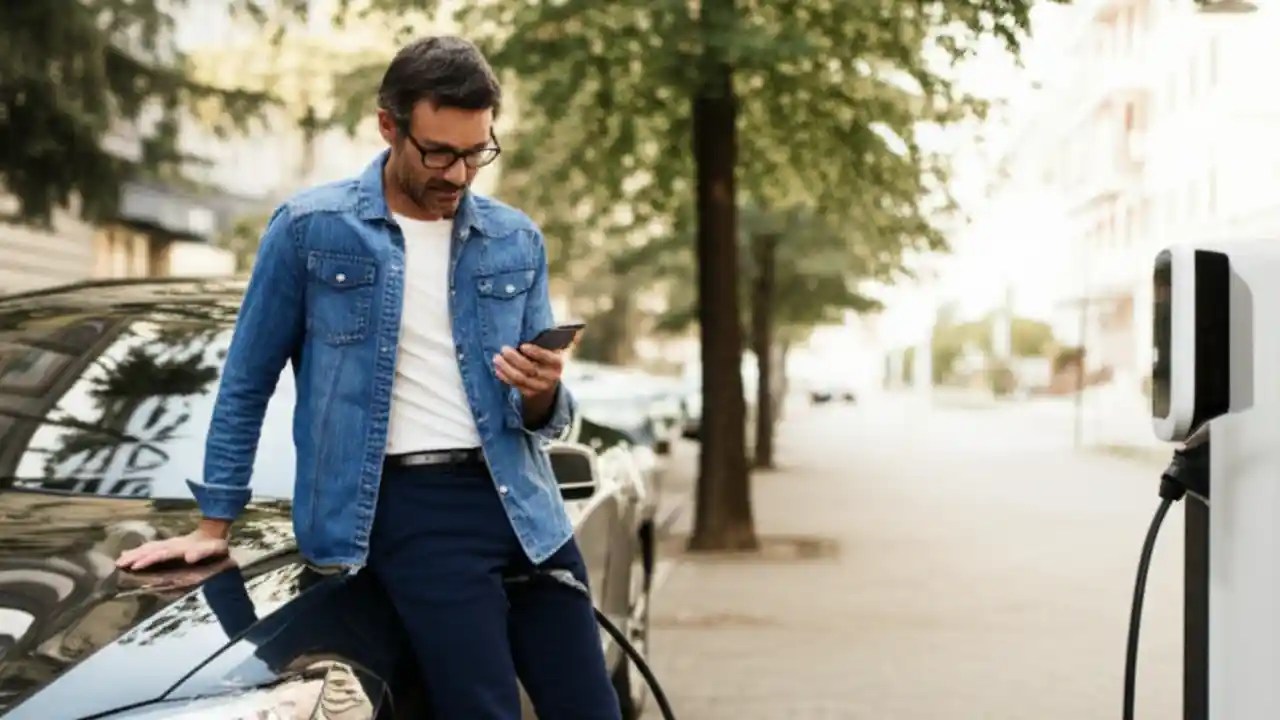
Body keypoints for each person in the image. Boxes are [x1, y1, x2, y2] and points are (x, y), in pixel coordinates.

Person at [115, 36, 621, 720]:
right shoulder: (309, 231)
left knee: (592, 708)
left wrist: (541, 394)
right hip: (412, 509)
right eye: (439, 152)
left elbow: (545, 411)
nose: (459, 173)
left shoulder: (516, 239)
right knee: (485, 708)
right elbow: (246, 383)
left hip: (524, 501)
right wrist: (215, 525)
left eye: (476, 152)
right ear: (389, 125)